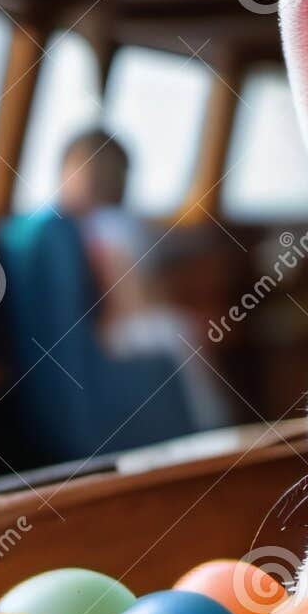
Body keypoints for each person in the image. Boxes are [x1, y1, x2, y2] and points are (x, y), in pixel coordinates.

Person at [53, 129, 233, 431]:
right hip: (118, 329)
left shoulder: (81, 226)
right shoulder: (114, 225)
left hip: (104, 330)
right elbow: (129, 297)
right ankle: (209, 425)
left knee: (179, 328)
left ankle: (209, 423)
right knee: (180, 331)